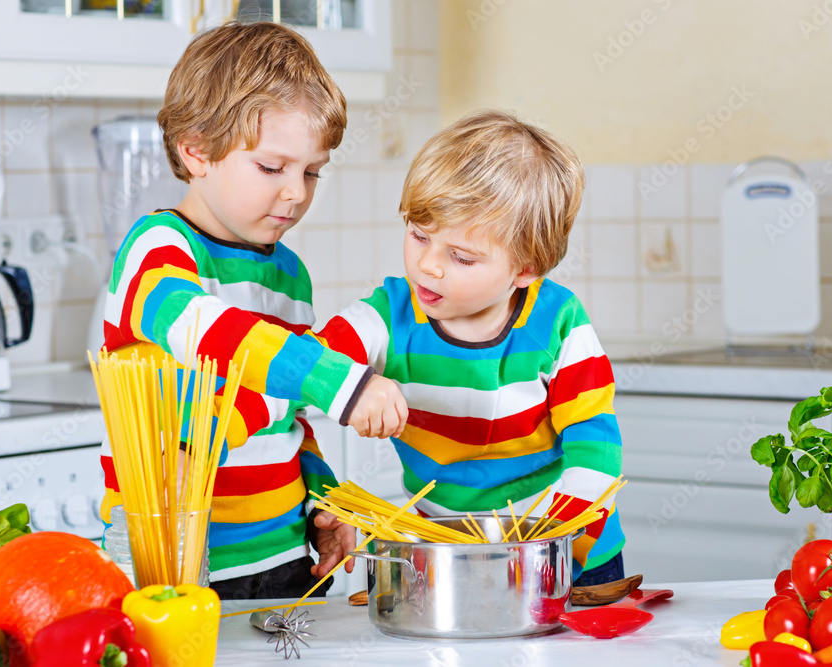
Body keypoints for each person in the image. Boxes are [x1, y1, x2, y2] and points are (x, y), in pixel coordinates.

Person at [98, 21, 407, 600]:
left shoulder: (289, 275)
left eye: (312, 172)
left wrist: (325, 500)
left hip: (286, 560)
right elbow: (209, 333)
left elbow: (284, 411)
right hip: (180, 565)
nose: (296, 192)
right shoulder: (158, 249)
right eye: (272, 168)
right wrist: (340, 378)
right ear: (196, 151)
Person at [313, 109, 625, 585]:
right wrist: (350, 386)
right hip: (447, 557)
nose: (429, 266)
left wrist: (555, 549)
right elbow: (301, 367)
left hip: (567, 554)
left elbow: (596, 450)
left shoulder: (558, 323)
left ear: (525, 268)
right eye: (419, 236)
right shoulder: (387, 317)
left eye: (460, 256)